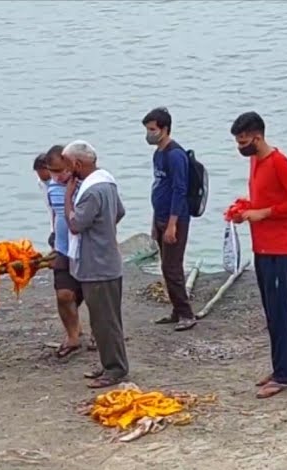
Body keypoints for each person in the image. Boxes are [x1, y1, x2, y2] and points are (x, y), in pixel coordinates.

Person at [229, 111, 287, 399]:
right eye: (238, 142)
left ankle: (285, 374)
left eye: (243, 141)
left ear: (258, 137)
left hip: (280, 246)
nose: (241, 147)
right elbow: (265, 197)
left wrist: (262, 213)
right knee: (269, 310)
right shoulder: (255, 161)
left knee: (279, 310)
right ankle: (279, 367)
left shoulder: (279, 162)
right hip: (261, 244)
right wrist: (245, 208)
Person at [62, 140, 129, 389]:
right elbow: (119, 212)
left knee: (105, 320)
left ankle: (115, 369)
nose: (68, 171)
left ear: (78, 164)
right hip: (105, 260)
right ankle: (109, 362)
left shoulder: (90, 191)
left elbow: (76, 224)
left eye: (69, 165)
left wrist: (68, 197)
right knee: (104, 318)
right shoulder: (107, 183)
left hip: (98, 264)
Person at [142, 106, 196, 331]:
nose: (149, 134)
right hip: (161, 217)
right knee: (166, 267)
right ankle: (177, 310)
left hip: (176, 219)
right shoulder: (159, 154)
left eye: (152, 129)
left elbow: (179, 190)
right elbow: (159, 186)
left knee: (172, 267)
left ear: (164, 129)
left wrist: (172, 224)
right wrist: (155, 222)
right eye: (147, 129)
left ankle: (186, 313)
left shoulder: (175, 155)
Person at [44, 144, 89, 357]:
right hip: (63, 247)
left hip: (85, 249)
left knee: (92, 295)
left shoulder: (85, 185)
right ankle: (72, 336)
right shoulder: (51, 187)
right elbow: (54, 214)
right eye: (54, 172)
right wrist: (53, 238)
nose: (60, 176)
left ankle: (98, 335)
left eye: (63, 170)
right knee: (63, 294)